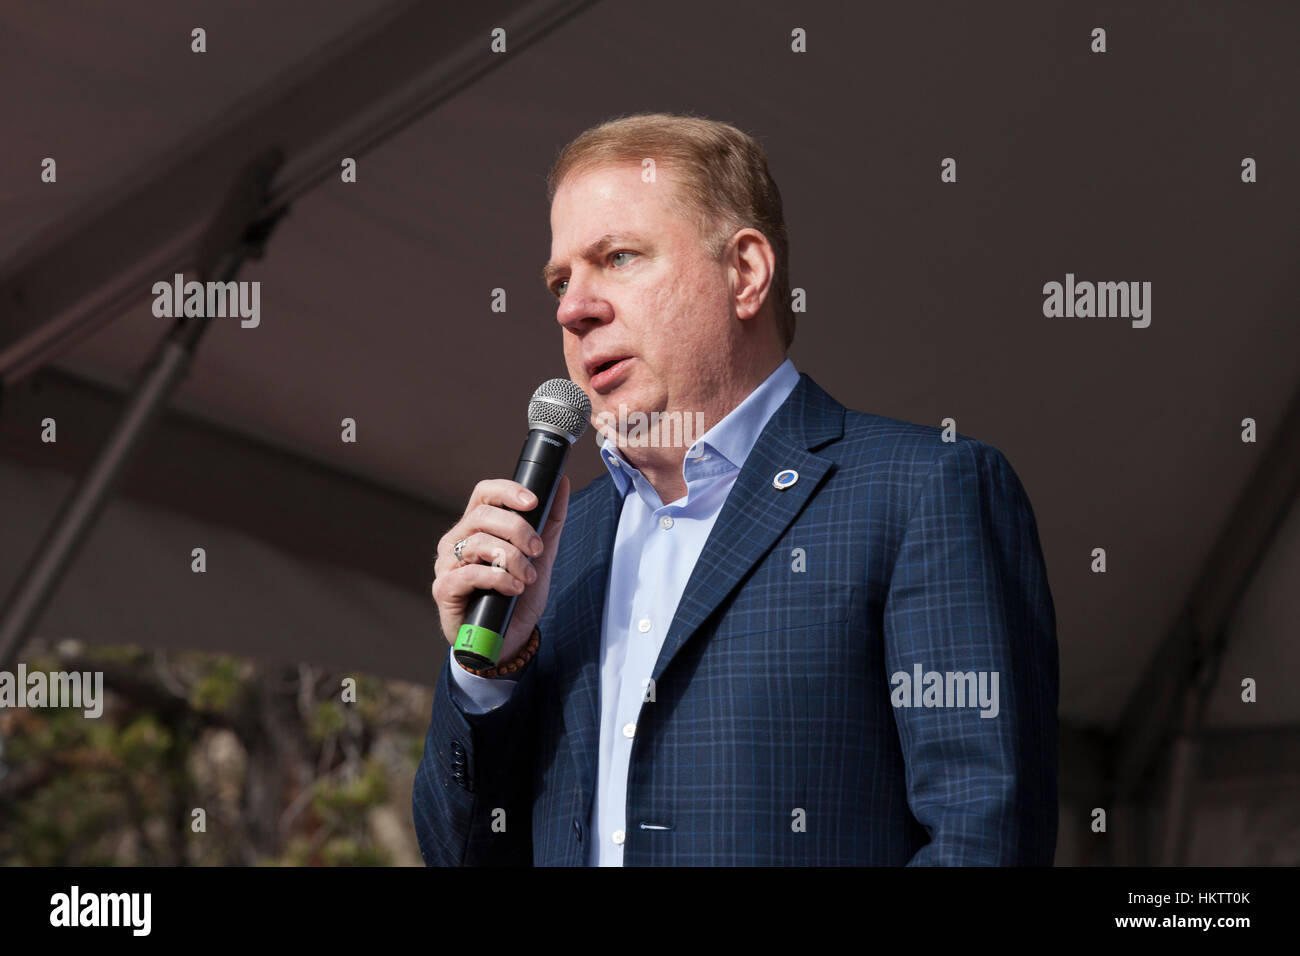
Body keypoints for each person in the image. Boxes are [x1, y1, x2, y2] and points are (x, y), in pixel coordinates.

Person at [413, 113, 1058, 865]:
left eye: (617, 258)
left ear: (745, 273)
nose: (572, 308)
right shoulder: (564, 546)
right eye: (560, 281)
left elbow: (983, 838)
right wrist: (488, 668)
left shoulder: (922, 490)